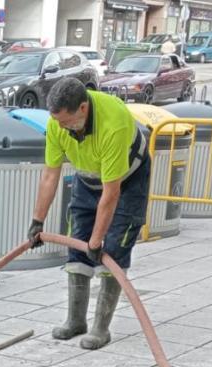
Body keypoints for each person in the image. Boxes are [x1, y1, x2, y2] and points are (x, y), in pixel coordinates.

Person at [29, 77, 151, 350]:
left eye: (66, 121)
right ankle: (75, 320)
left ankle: (101, 328)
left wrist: (97, 241)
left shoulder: (113, 123)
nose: (61, 127)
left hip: (126, 181)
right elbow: (50, 174)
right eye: (57, 122)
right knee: (78, 239)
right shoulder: (57, 123)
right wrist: (37, 221)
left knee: (114, 246)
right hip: (87, 176)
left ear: (83, 108)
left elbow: (111, 193)